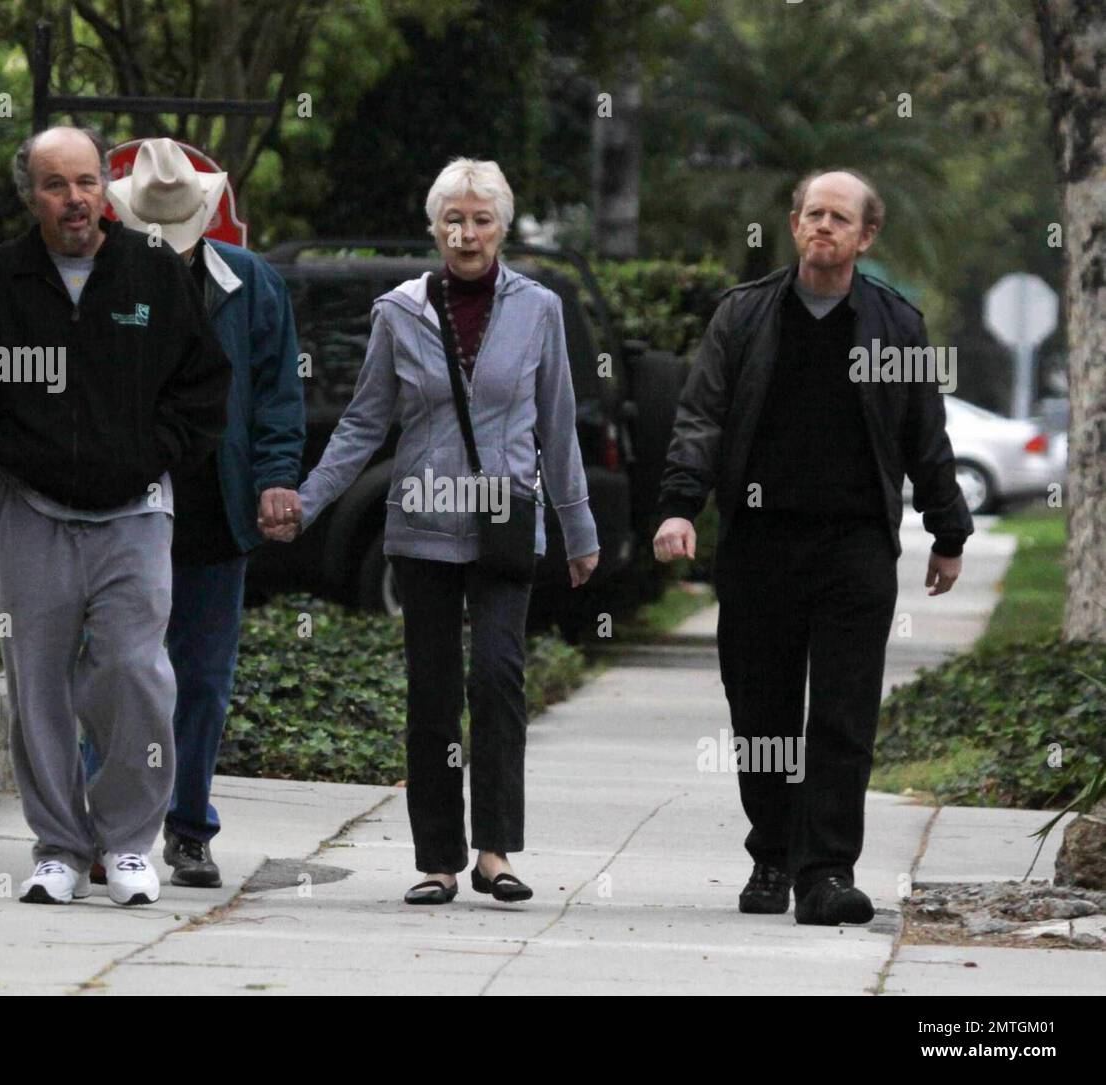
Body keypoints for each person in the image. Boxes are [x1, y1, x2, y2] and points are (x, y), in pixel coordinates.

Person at [268, 157, 599, 905]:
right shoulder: (399, 310)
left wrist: (577, 529)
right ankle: (437, 860)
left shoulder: (539, 308)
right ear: (434, 228)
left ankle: (496, 851)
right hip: (422, 523)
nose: (467, 232)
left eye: (481, 219)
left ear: (503, 228)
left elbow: (557, 422)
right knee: (433, 691)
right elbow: (362, 422)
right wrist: (310, 501)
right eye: (454, 218)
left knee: (498, 677)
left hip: (505, 521)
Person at [0, 126, 230, 906]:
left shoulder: (153, 274)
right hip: (30, 507)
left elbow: (203, 388)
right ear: (33, 196)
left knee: (134, 673)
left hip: (135, 512)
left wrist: (152, 451)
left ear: (107, 190)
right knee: (39, 685)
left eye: (88, 182)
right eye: (57, 185)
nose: (76, 199)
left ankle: (128, 843)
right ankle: (59, 844)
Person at [653, 169, 973, 925]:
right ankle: (772, 850)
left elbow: (924, 433)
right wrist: (679, 505)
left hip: (856, 546)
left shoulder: (897, 325)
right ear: (794, 224)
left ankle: (826, 871)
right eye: (812, 214)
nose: (823, 226)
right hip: (761, 544)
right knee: (762, 711)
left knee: (841, 715)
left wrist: (947, 528)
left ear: (866, 236)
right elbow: (701, 415)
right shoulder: (744, 316)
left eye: (840, 217)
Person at [85, 138, 305, 889]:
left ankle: (187, 827)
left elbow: (278, 395)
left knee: (202, 678)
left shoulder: (252, 284)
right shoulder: (100, 284)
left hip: (215, 509)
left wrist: (277, 477)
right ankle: (105, 824)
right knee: (116, 668)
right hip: (122, 504)